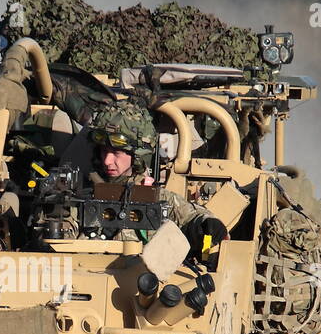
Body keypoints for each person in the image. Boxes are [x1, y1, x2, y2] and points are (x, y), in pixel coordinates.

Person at [84, 101, 228, 258]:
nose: (107, 160)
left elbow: (188, 216)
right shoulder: (82, 193)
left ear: (138, 155)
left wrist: (205, 224)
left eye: (117, 153)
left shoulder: (154, 198)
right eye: (104, 151)